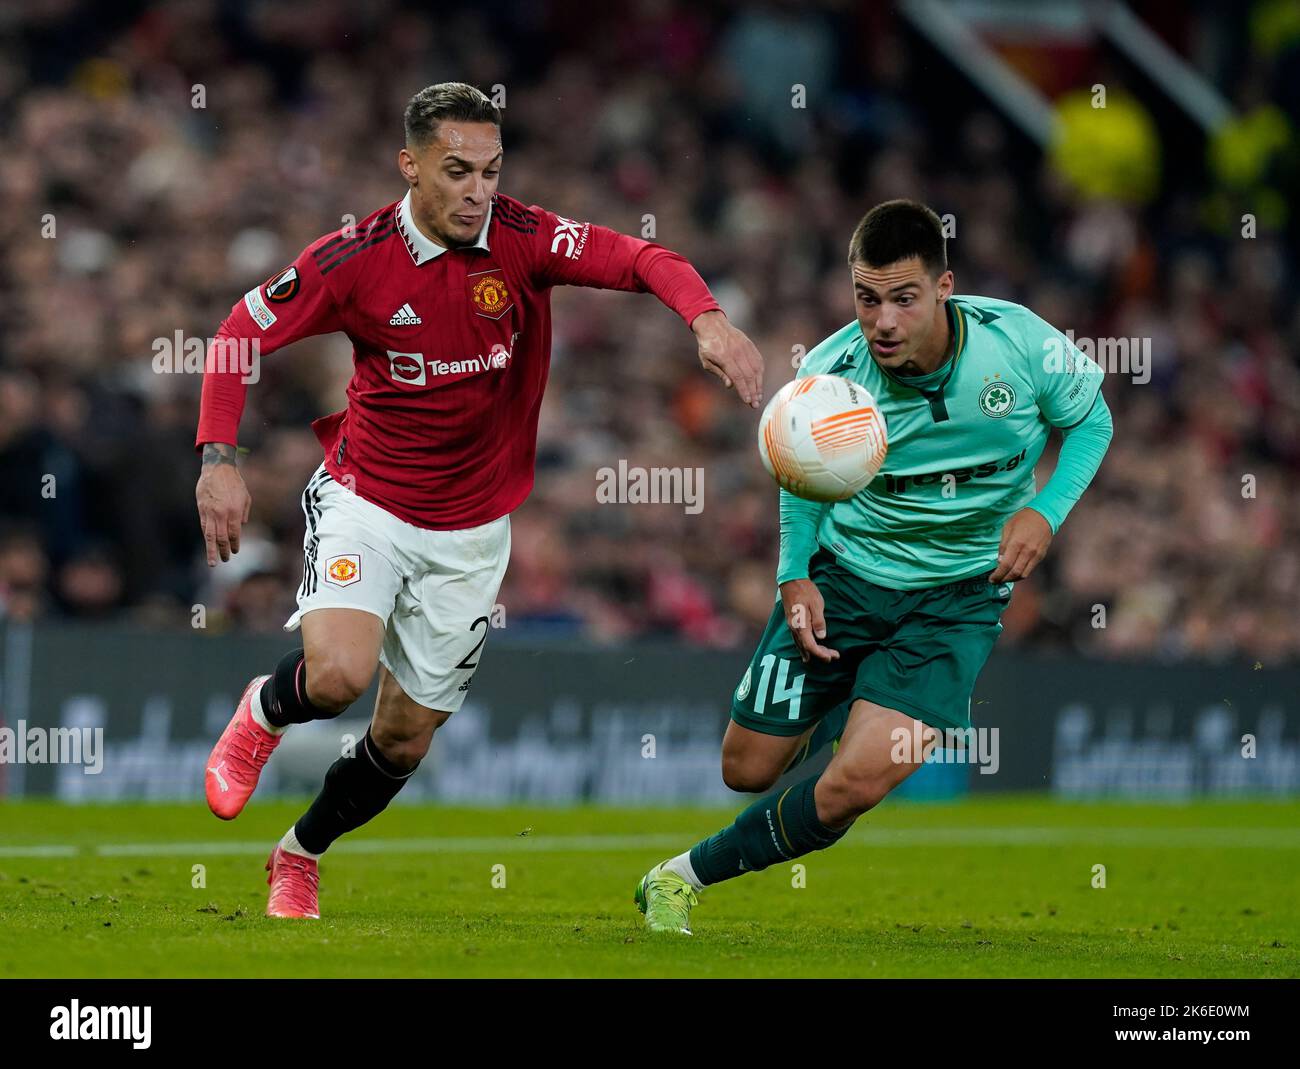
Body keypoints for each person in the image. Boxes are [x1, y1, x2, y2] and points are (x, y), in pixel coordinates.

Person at [194, 82, 764, 920]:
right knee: (340, 674)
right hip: (368, 500)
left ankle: (300, 852)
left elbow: (645, 258)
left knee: (401, 738)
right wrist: (219, 459)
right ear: (411, 165)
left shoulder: (526, 240)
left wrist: (708, 321)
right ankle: (264, 708)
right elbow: (240, 329)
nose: (478, 192)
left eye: (491, 172)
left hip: (470, 531)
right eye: (457, 171)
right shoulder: (351, 259)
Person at [635, 199, 1113, 934]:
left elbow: (1092, 419)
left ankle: (679, 877)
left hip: (959, 598)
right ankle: (848, 696)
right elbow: (802, 478)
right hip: (845, 579)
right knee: (746, 767)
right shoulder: (833, 373)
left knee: (850, 783)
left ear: (944, 288)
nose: (882, 321)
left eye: (903, 298)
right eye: (867, 298)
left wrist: (1045, 510)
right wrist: (794, 575)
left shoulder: (1018, 344)